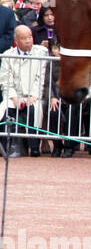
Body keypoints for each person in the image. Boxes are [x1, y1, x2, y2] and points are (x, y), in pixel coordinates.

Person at [2, 25, 53, 157]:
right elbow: (5, 80)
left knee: (33, 110)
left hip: (33, 94)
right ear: (17, 41)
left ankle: (34, 147)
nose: (28, 40)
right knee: (7, 109)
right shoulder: (8, 55)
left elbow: (41, 77)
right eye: (24, 38)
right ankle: (8, 145)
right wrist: (14, 97)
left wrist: (34, 96)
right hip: (14, 95)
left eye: (30, 37)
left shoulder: (41, 52)